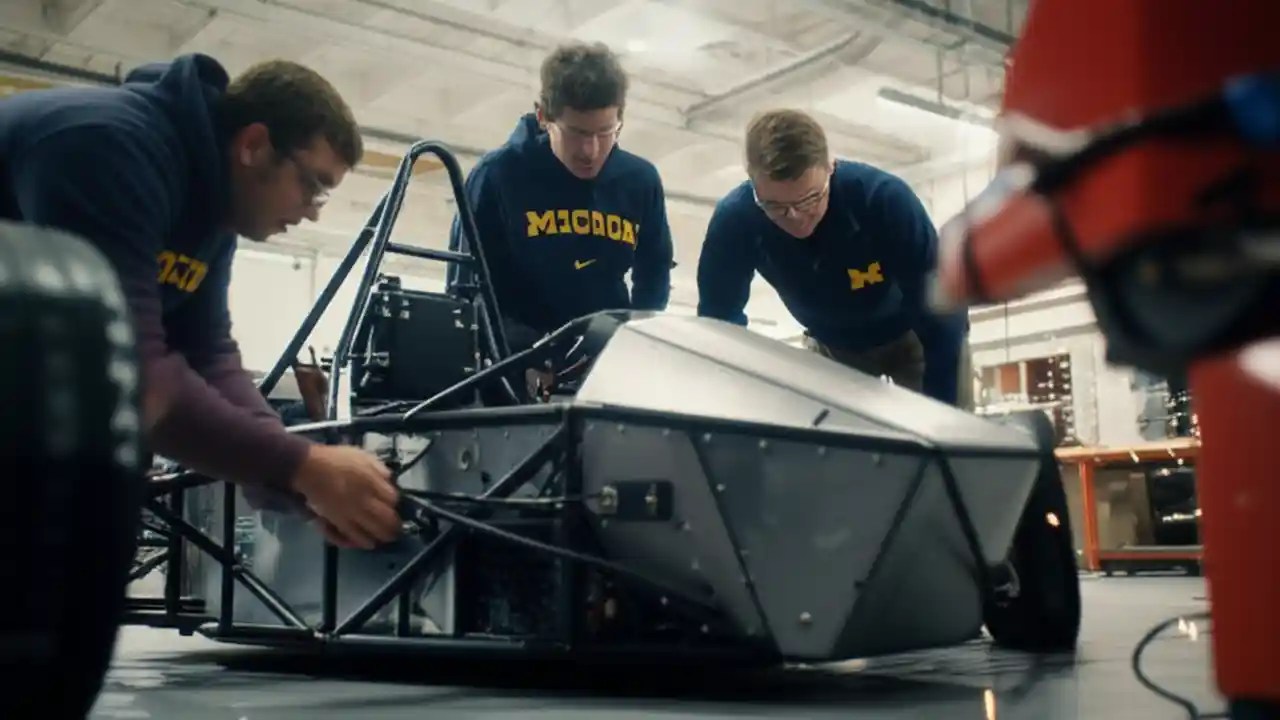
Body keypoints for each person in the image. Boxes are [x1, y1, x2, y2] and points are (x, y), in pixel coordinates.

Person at [0, 53, 401, 550]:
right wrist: (301, 466)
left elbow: (207, 353)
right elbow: (126, 373)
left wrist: (296, 482)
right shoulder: (110, 149)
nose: (313, 214)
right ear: (253, 145)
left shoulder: (213, 212)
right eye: (313, 185)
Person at [696, 108, 971, 407]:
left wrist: (944, 419)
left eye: (810, 198)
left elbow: (940, 309)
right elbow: (719, 323)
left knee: (951, 434)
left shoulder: (883, 200)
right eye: (774, 205)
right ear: (751, 180)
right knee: (833, 445)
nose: (795, 217)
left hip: (915, 336)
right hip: (831, 347)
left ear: (830, 167)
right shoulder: (735, 220)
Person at [446, 41, 674, 357]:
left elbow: (655, 274)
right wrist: (519, 356)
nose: (590, 151)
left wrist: (635, 346)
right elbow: (465, 293)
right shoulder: (495, 176)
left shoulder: (640, 181)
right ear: (543, 116)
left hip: (603, 359)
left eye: (606, 132)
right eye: (576, 133)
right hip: (511, 363)